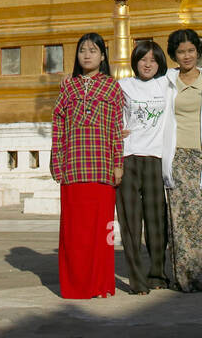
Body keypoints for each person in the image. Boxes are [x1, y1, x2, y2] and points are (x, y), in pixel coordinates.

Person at [51, 32, 125, 299]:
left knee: (102, 232)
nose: (87, 55)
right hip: (73, 170)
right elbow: (57, 127)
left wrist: (118, 164)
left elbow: (117, 129)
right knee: (74, 234)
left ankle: (101, 283)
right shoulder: (68, 87)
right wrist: (56, 164)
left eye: (93, 50)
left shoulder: (112, 88)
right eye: (83, 50)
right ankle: (75, 286)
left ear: (103, 56)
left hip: (102, 170)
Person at [162, 27, 202, 292]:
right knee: (179, 218)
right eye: (181, 51)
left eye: (191, 50)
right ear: (174, 54)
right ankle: (185, 277)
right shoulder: (165, 80)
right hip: (177, 157)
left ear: (198, 52)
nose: (186, 56)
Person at [116, 39, 173, 294]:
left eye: (152, 60)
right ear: (135, 62)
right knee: (130, 223)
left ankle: (157, 273)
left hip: (155, 158)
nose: (147, 64)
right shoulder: (123, 85)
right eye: (142, 59)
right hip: (129, 157)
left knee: (156, 221)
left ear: (160, 63)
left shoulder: (167, 81)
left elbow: (198, 71)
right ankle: (137, 279)